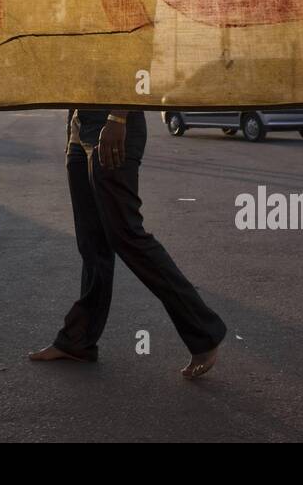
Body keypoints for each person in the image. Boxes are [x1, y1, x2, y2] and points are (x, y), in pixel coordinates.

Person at [29, 108, 227, 378]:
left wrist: (118, 117)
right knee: (92, 242)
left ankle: (205, 332)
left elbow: (135, 66)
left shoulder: (117, 120)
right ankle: (78, 341)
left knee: (127, 236)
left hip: (112, 126)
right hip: (78, 127)